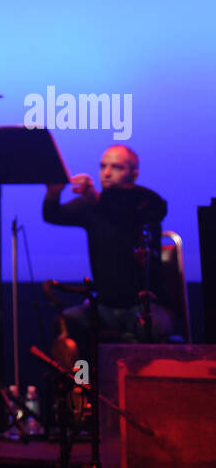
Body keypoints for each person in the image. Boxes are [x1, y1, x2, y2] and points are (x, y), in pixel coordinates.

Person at [43, 145, 174, 358]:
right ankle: (81, 384)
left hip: (143, 306)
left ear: (134, 174)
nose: (107, 172)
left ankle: (138, 389)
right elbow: (53, 215)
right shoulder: (91, 205)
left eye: (117, 167)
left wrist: (97, 198)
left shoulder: (145, 204)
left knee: (149, 328)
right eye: (103, 166)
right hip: (104, 306)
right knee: (66, 324)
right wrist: (53, 193)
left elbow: (124, 219)